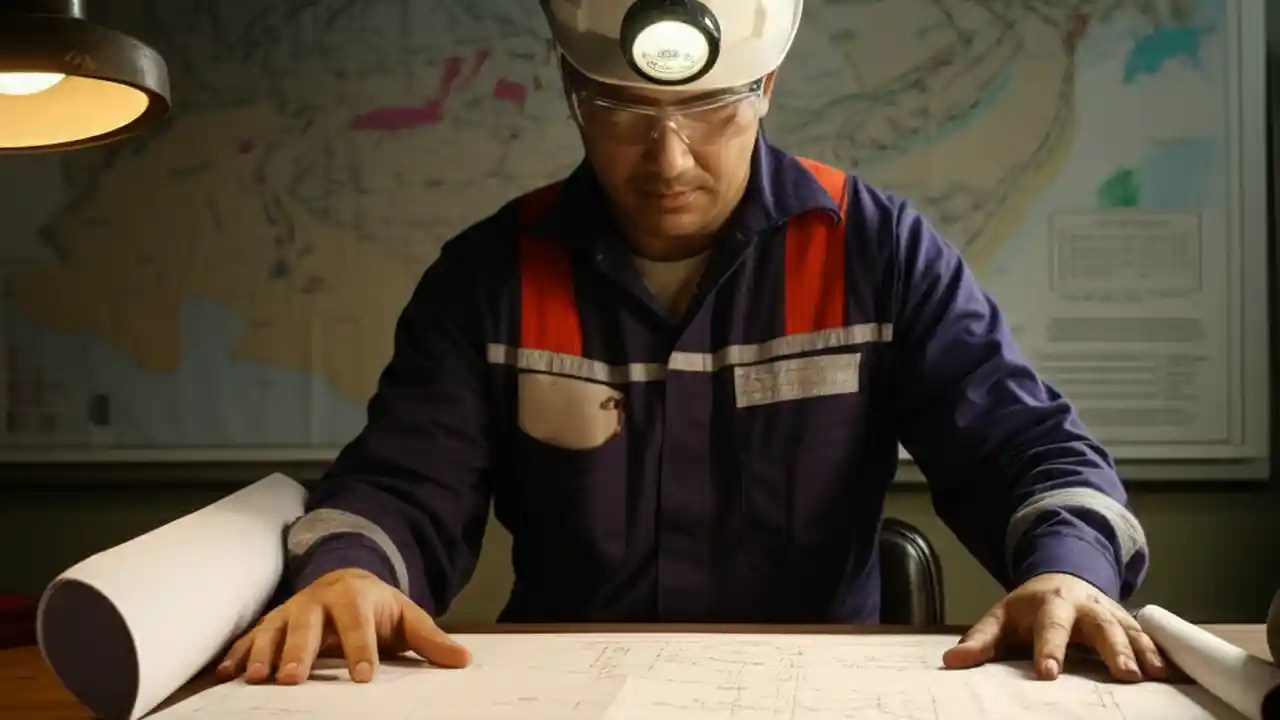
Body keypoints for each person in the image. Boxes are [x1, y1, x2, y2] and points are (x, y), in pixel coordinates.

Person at [217, 0, 1165, 688]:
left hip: (821, 697)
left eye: (710, 109)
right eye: (624, 110)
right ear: (570, 89)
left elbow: (1024, 447)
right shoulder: (488, 277)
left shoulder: (872, 248)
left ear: (766, 87)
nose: (667, 160)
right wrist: (351, 574)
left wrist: (1064, 571)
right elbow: (404, 482)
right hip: (558, 694)